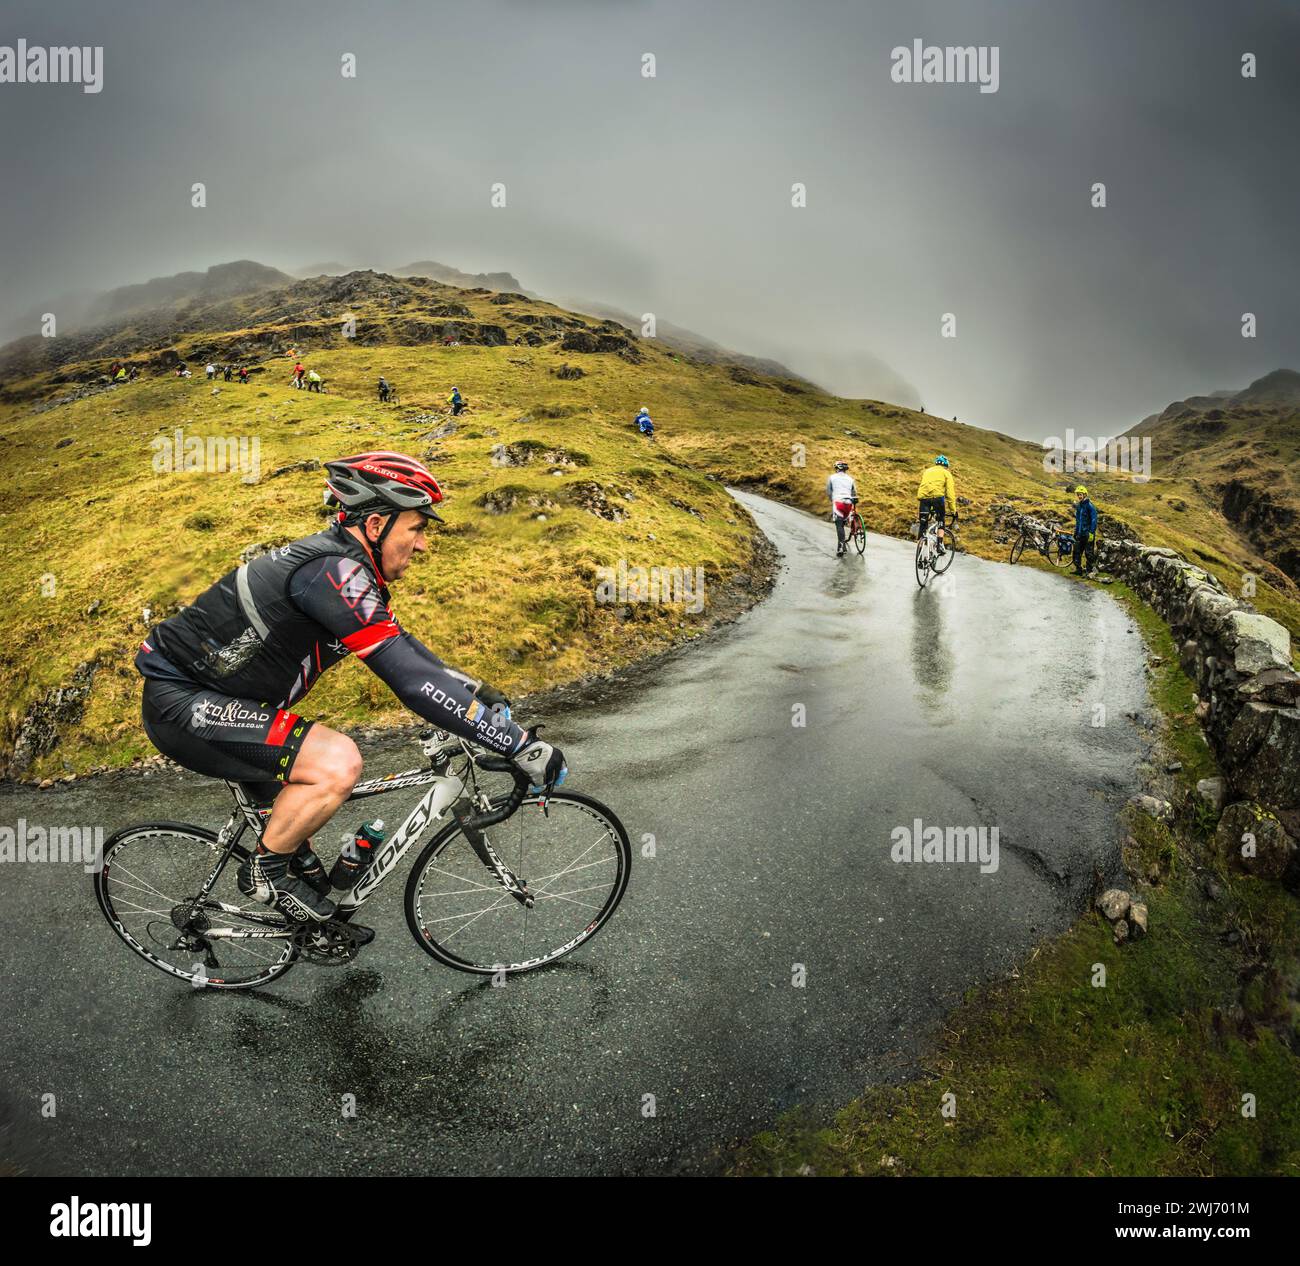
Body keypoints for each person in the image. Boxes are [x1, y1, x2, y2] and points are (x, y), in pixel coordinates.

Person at [134, 451, 568, 925]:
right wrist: (519, 744)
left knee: (308, 861)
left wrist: (476, 693)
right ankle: (261, 873)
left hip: (233, 704)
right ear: (377, 523)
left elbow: (406, 651)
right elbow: (409, 679)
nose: (422, 545)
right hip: (183, 704)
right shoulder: (331, 572)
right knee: (337, 762)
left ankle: (304, 916)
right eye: (417, 528)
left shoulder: (347, 569)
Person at [916, 454, 956, 554]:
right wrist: (953, 510)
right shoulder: (946, 473)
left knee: (923, 525)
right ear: (946, 465)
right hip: (937, 499)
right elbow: (950, 494)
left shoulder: (927, 471)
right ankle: (939, 546)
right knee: (941, 520)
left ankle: (919, 554)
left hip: (924, 499)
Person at [826, 460, 858, 556]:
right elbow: (854, 493)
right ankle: (844, 543)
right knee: (843, 522)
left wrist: (832, 499)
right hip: (848, 503)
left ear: (836, 468)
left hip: (838, 502)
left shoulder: (831, 478)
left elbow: (829, 491)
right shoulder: (851, 479)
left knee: (839, 525)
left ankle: (841, 548)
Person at [1072, 485, 1098, 576]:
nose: (1079, 496)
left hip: (1088, 534)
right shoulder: (1079, 506)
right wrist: (1076, 531)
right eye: (1078, 494)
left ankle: (1089, 571)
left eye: (1081, 494)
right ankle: (1078, 570)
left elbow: (1094, 520)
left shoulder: (1090, 506)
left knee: (1088, 553)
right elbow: (1078, 520)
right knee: (1076, 552)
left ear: (1085, 494)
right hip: (1080, 533)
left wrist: (1091, 533)